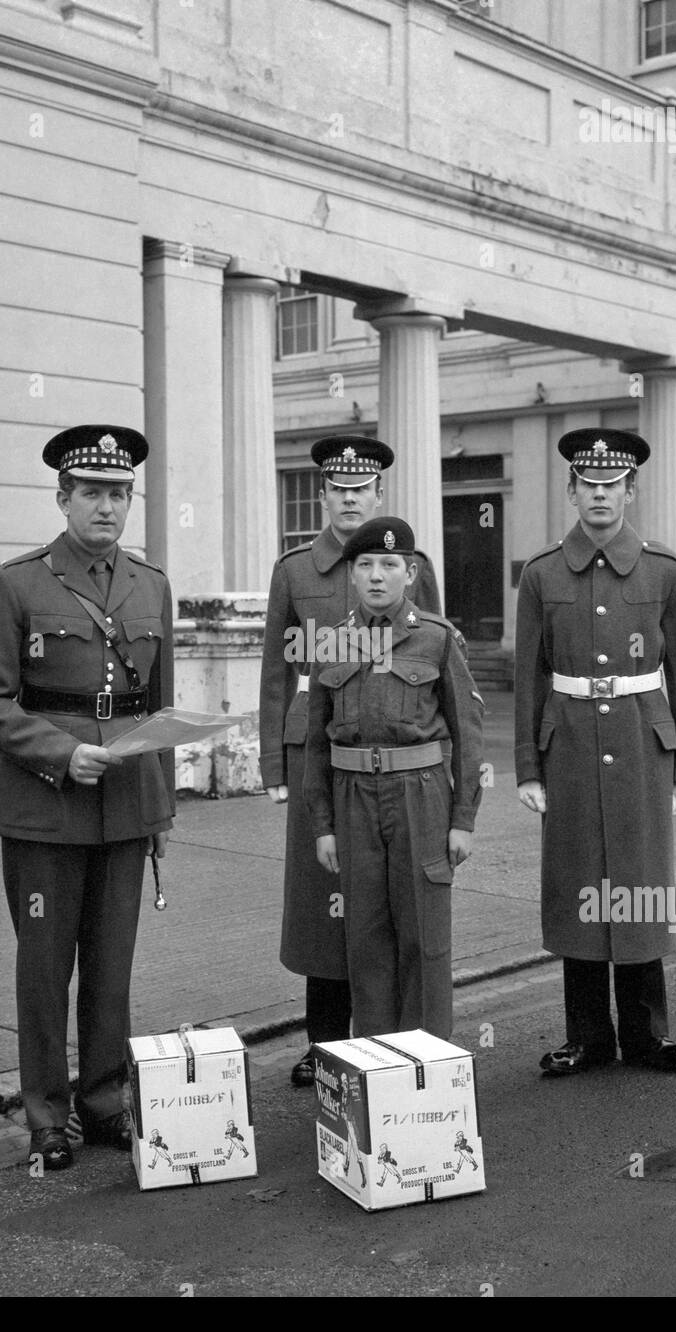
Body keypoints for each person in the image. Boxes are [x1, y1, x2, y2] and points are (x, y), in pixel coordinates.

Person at [0, 425, 175, 1170]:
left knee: (111, 966)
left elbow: (160, 707)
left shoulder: (151, 585)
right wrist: (61, 753)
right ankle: (48, 1115)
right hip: (45, 809)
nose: (107, 507)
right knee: (45, 965)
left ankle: (105, 1099)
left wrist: (161, 811)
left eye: (119, 494)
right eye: (92, 492)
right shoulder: (18, 583)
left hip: (125, 809)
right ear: (63, 497)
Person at [514, 428, 676, 1076]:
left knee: (640, 885)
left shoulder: (664, 571)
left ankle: (648, 1035)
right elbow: (529, 676)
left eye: (611, 485)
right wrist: (526, 765)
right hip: (567, 745)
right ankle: (588, 1036)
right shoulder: (541, 574)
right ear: (571, 491)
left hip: (640, 742)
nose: (599, 495)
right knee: (579, 885)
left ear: (630, 489)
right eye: (587, 485)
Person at [258, 436, 442, 1086]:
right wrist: (273, 768)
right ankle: (323, 1039)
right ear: (322, 495)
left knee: (384, 898)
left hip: (389, 757)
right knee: (321, 901)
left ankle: (384, 1034)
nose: (348, 501)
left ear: (377, 496)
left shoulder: (406, 563)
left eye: (360, 492)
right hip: (315, 755)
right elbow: (277, 675)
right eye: (338, 491)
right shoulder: (294, 572)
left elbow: (433, 662)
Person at [305, 516, 484, 1042]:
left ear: (410, 572)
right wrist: (322, 825)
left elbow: (468, 736)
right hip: (353, 800)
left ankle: (425, 1067)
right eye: (365, 566)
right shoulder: (332, 643)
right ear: (352, 576)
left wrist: (463, 820)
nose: (377, 576)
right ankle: (377, 1068)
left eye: (389, 565)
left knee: (424, 939)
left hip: (421, 798)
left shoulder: (437, 640)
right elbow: (317, 744)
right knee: (365, 940)